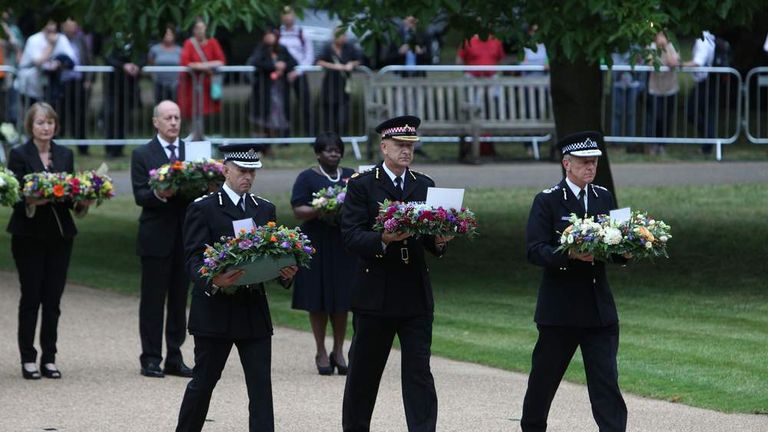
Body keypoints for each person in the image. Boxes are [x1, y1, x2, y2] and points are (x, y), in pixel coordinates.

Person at [340, 115, 454, 431]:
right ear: (384, 146)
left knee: (418, 372)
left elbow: (431, 239)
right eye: (400, 145)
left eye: (410, 145)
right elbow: (350, 236)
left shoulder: (424, 184)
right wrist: (383, 239)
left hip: (414, 292)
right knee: (364, 372)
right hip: (376, 291)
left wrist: (441, 241)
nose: (406, 150)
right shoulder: (363, 185)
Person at [175, 143, 298, 432]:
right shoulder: (203, 208)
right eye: (243, 171)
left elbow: (273, 256)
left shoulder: (263, 208)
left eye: (253, 171)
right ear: (225, 170)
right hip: (214, 311)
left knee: (260, 388)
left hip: (252, 310)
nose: (248, 177)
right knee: (203, 382)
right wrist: (213, 280)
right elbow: (192, 258)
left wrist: (286, 273)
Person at [520, 131, 627, 432]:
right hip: (560, 311)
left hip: (598, 310)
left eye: (593, 162)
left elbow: (614, 242)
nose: (590, 167)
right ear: (567, 164)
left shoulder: (603, 196)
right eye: (584, 162)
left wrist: (627, 252)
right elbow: (534, 250)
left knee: (606, 384)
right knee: (543, 382)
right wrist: (569, 256)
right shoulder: (548, 201)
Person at [6, 102, 94, 380]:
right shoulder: (19, 154)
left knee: (53, 300)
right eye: (41, 123)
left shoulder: (65, 154)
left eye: (50, 122)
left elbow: (70, 200)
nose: (46, 127)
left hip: (59, 236)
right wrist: (32, 200)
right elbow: (14, 197)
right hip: (28, 235)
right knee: (31, 297)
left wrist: (84, 201)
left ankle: (49, 358)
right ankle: (28, 358)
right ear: (30, 126)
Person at [131, 100, 193, 379]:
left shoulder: (192, 152)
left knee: (180, 300)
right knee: (153, 301)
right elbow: (140, 195)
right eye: (168, 118)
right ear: (156, 122)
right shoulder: (142, 153)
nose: (173, 122)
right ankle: (151, 357)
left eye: (177, 117)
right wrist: (160, 194)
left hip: (185, 236)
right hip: (156, 236)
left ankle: (174, 356)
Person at [290, 132, 356, 375]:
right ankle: (320, 350)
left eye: (338, 149)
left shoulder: (351, 176)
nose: (334, 153)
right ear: (318, 153)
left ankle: (339, 351)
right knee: (317, 299)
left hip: (343, 245)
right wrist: (323, 207)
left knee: (342, 299)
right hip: (315, 244)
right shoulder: (307, 177)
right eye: (328, 149)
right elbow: (298, 209)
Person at [248, 26, 297, 143]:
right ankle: (265, 143)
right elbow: (256, 62)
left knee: (279, 114)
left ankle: (282, 140)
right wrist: (274, 66)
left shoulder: (282, 49)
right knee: (264, 116)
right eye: (267, 35)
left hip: (280, 88)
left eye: (272, 35)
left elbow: (293, 62)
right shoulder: (260, 49)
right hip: (264, 88)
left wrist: (283, 65)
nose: (270, 37)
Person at [178, 17, 226, 133]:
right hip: (191, 86)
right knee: (191, 112)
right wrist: (206, 67)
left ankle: (200, 138)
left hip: (206, 85)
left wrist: (200, 66)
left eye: (202, 27)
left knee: (202, 112)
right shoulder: (189, 44)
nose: (200, 30)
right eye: (197, 28)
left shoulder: (213, 43)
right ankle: (193, 139)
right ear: (193, 30)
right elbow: (186, 63)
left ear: (206, 29)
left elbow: (221, 61)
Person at [16, 20, 75, 107]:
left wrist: (59, 63)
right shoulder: (34, 39)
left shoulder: (61, 38)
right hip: (30, 88)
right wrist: (51, 45)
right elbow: (38, 62)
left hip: (51, 89)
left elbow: (71, 59)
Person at [316, 28, 361, 135]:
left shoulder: (349, 47)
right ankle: (329, 138)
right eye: (340, 35)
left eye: (344, 35)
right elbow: (318, 61)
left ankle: (341, 137)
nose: (342, 38)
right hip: (330, 86)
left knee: (343, 116)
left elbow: (359, 59)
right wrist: (336, 66)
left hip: (344, 86)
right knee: (329, 116)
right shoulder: (327, 48)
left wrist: (351, 64)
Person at [59, 18, 93, 155]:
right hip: (62, 83)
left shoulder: (81, 40)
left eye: (73, 25)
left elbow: (88, 59)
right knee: (60, 113)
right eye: (68, 25)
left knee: (79, 114)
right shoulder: (59, 40)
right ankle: (58, 144)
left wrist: (89, 78)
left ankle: (82, 146)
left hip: (78, 81)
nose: (71, 28)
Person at [104, 32, 142, 158]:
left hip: (129, 87)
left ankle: (119, 148)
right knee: (111, 115)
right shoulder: (112, 39)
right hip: (113, 86)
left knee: (123, 117)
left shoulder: (138, 39)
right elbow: (107, 56)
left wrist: (138, 66)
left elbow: (143, 56)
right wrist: (123, 66)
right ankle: (110, 148)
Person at [279, 6, 314, 135]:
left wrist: (298, 71)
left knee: (305, 105)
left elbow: (309, 55)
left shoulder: (302, 33)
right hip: (283, 73)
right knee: (284, 106)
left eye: (290, 14)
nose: (288, 17)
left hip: (299, 72)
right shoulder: (278, 34)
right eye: (285, 14)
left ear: (294, 16)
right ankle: (285, 136)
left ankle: (310, 135)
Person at [645, 30, 680, 155]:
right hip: (655, 89)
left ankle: (662, 145)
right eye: (657, 36)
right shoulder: (651, 48)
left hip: (670, 88)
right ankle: (653, 144)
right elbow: (652, 64)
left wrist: (665, 48)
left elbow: (673, 63)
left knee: (666, 118)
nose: (660, 38)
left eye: (662, 36)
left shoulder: (672, 47)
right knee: (656, 117)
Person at [683, 30, 716, 154]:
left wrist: (680, 65)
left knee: (693, 111)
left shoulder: (702, 41)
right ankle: (708, 140)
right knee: (705, 113)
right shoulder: (710, 38)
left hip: (705, 82)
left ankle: (709, 140)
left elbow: (698, 62)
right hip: (708, 81)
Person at [148, 24, 182, 105]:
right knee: (160, 107)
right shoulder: (155, 49)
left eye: (170, 34)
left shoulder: (180, 50)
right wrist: (153, 77)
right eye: (166, 34)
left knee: (174, 106)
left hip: (175, 84)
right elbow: (150, 64)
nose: (168, 36)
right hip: (159, 83)